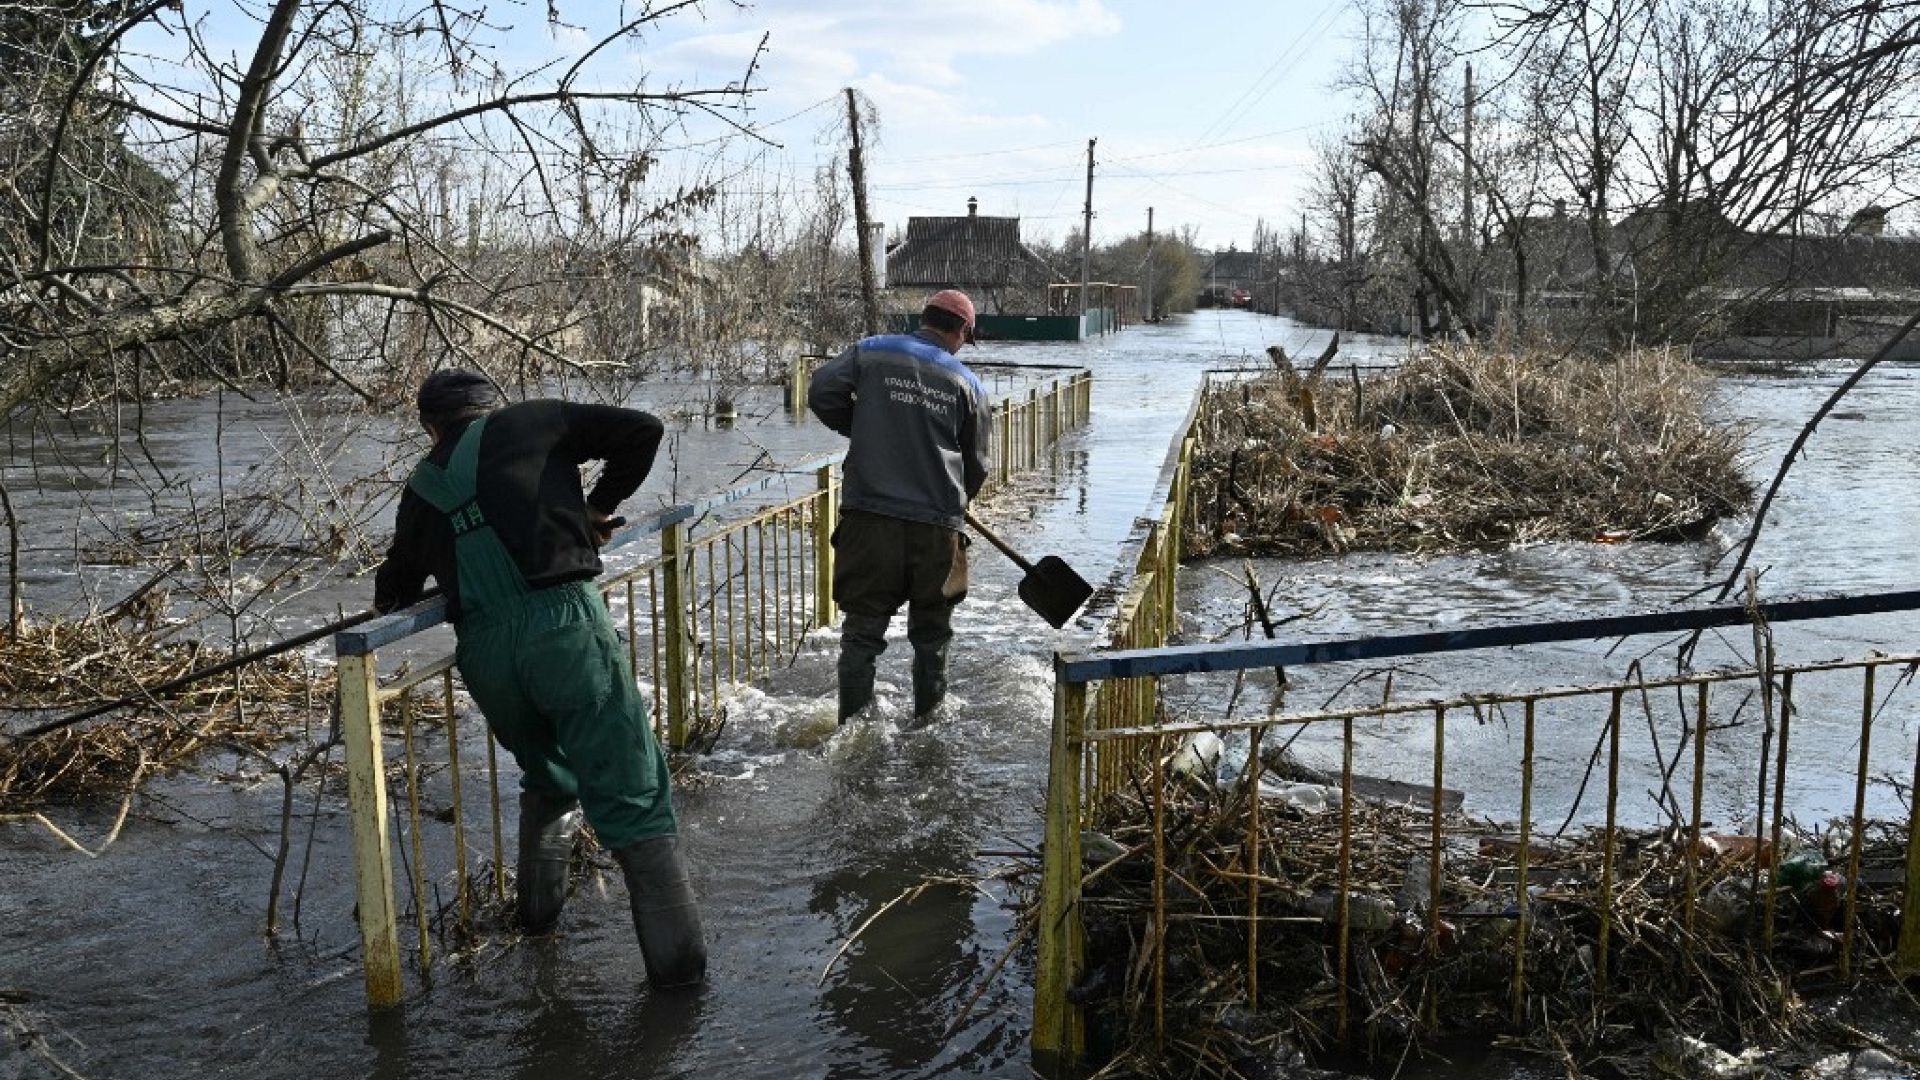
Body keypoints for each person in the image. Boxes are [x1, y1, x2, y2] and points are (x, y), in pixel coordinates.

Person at [374, 369, 704, 989]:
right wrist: (595, 509)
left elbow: (394, 592)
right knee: (634, 801)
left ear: (429, 428)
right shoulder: (530, 420)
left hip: (489, 659)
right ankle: (682, 995)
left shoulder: (419, 491)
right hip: (566, 632)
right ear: (489, 408)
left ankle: (536, 930)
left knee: (551, 777)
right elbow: (643, 430)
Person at [808, 289, 993, 725]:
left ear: (923, 318)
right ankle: (928, 729)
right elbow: (979, 465)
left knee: (861, 636)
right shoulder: (968, 383)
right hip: (935, 530)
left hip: (869, 521)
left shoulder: (872, 351)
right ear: (962, 331)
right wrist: (955, 502)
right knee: (932, 637)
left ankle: (851, 731)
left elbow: (821, 392)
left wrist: (866, 428)